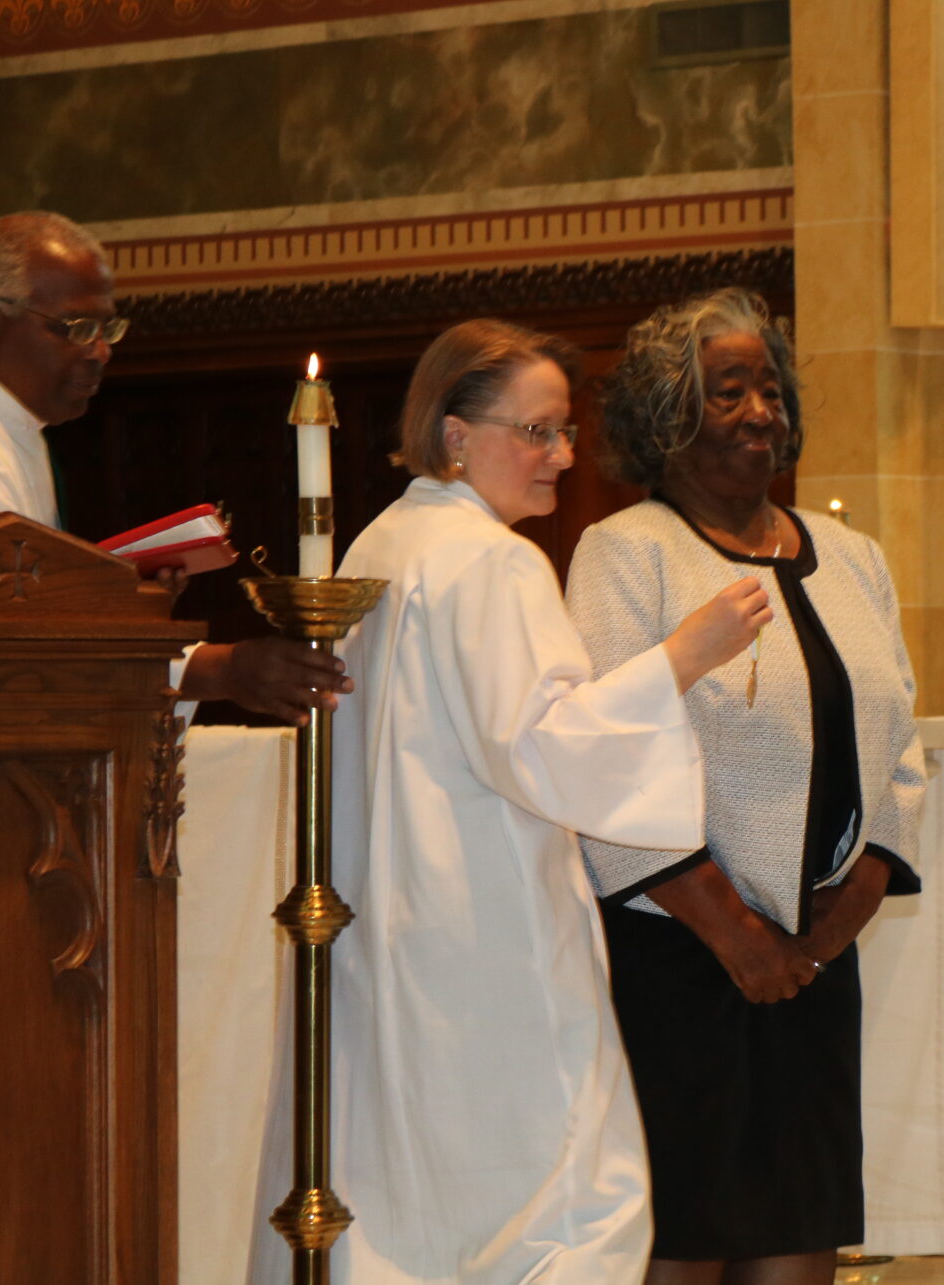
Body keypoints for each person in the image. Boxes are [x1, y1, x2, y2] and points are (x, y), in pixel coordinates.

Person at [304, 318, 768, 1283]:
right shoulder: (494, 561)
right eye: (538, 431)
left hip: (396, 927)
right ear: (454, 433)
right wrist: (686, 655)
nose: (561, 455)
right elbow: (546, 747)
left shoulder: (380, 542)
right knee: (561, 1203)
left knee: (413, 1199)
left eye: (565, 430)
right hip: (490, 941)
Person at [564, 288, 924, 1285]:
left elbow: (901, 752)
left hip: (811, 954)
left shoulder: (852, 560)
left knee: (799, 1228)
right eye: (728, 394)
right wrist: (733, 933)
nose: (761, 411)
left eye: (769, 389)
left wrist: (841, 914)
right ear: (663, 416)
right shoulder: (626, 554)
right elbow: (607, 761)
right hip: (681, 955)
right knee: (687, 1235)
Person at [0, 210, 344, 721]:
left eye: (107, 330)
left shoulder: (5, 424)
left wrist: (118, 601)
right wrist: (222, 670)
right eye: (77, 328)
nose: (100, 352)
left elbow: (31, 622)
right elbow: (4, 645)